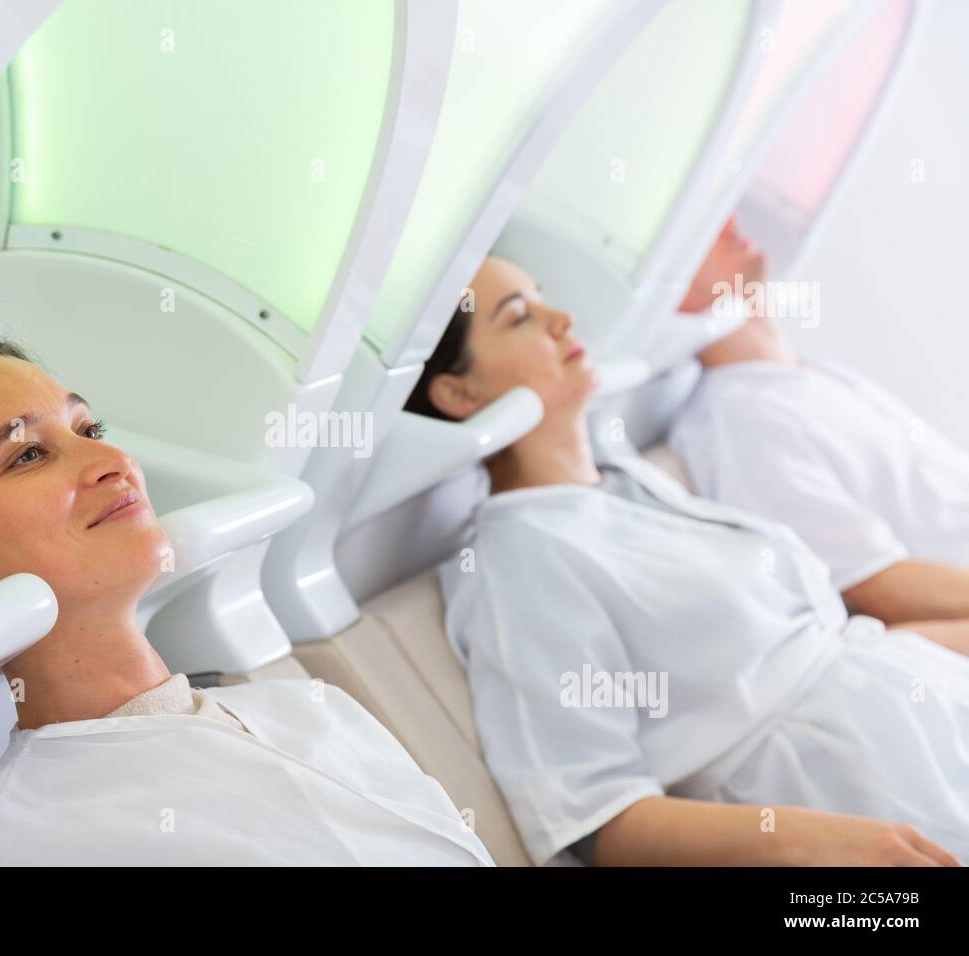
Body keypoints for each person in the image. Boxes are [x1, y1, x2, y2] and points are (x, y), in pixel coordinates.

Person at [0, 328, 493, 867]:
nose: (112, 461)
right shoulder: (9, 848)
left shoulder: (313, 710)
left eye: (90, 428)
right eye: (27, 455)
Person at [404, 253, 969, 866]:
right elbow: (596, 815)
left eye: (542, 298)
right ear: (458, 392)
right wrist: (820, 842)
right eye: (519, 317)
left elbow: (822, 651)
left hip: (930, 721)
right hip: (876, 802)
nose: (562, 318)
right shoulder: (519, 563)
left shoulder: (624, 484)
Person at [669, 217, 969, 630]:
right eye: (704, 225)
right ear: (675, 290)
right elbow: (877, 584)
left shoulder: (805, 377)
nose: (729, 221)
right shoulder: (743, 425)